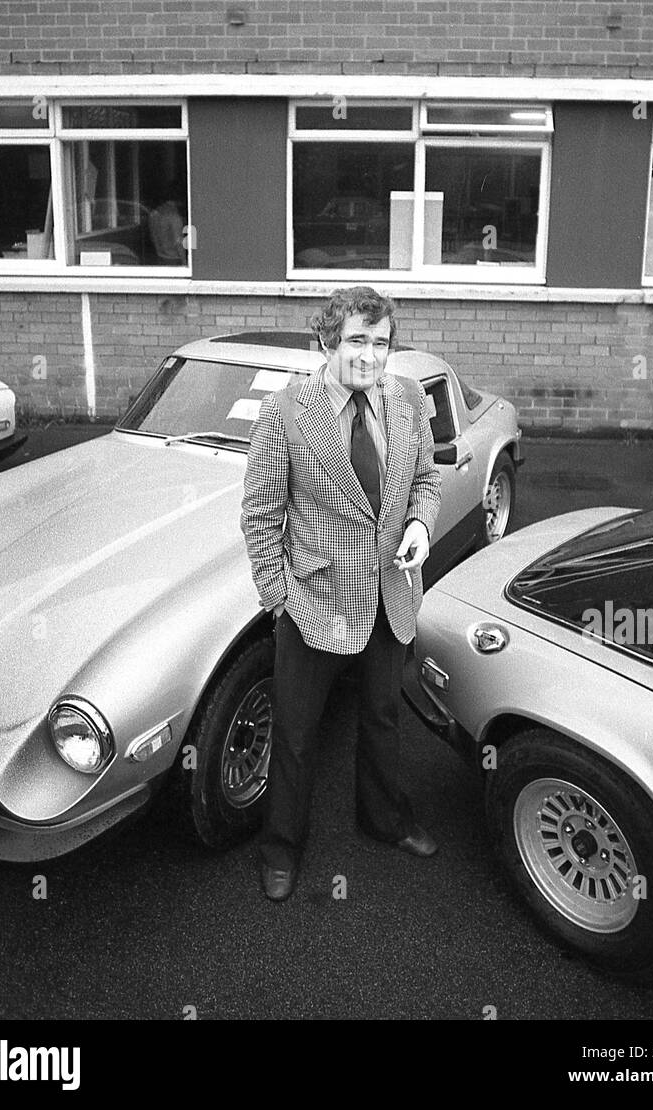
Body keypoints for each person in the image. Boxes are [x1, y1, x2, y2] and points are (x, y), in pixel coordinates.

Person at [240, 285, 442, 900]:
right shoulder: (284, 411)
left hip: (389, 592)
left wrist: (418, 526)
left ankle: (385, 820)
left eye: (381, 342)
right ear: (328, 340)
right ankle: (282, 848)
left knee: (382, 716)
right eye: (357, 340)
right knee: (297, 734)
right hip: (313, 603)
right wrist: (281, 600)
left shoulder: (405, 399)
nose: (371, 355)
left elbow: (427, 480)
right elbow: (259, 518)